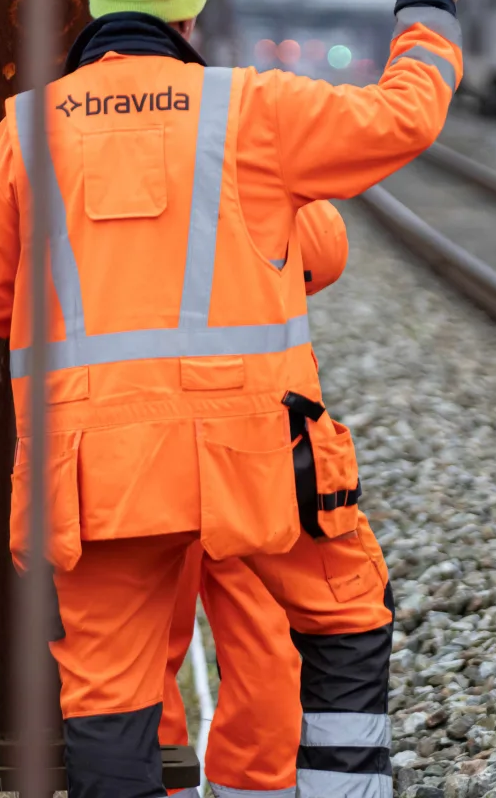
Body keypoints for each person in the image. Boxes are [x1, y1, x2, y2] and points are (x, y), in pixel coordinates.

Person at [0, 0, 477, 798]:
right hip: (253, 462)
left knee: (108, 693)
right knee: (344, 610)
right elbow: (400, 121)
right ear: (188, 18)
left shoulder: (23, 136)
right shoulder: (249, 109)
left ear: (99, 14)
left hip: (95, 474)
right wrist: (427, 7)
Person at [161, 200, 350, 798]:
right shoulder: (243, 121)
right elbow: (323, 253)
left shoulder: (70, 122)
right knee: (262, 633)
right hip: (247, 439)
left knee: (133, 644)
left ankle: (162, 787)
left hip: (126, 440)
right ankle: (257, 787)